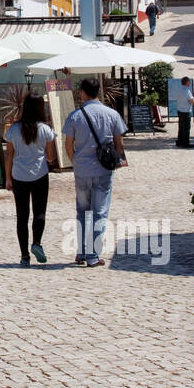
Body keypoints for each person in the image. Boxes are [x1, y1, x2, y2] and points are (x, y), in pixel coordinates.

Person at [61, 77, 128, 267]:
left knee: (82, 211)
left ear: (83, 92)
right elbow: (119, 143)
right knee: (99, 212)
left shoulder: (75, 116)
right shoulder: (111, 114)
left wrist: (76, 162)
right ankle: (92, 255)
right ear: (98, 91)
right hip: (103, 170)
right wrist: (113, 159)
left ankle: (82, 252)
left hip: (82, 170)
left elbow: (68, 145)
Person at [4, 95, 58, 266]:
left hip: (19, 174)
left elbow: (9, 156)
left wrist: (7, 178)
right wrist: (47, 158)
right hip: (40, 174)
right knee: (39, 211)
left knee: (22, 215)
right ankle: (37, 243)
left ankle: (24, 255)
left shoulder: (13, 130)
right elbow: (50, 157)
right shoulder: (45, 129)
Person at [175, 76, 194, 148]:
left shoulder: (178, 89)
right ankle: (186, 143)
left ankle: (179, 141)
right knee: (187, 128)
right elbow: (192, 101)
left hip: (180, 110)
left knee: (181, 127)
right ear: (187, 82)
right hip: (186, 111)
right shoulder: (187, 91)